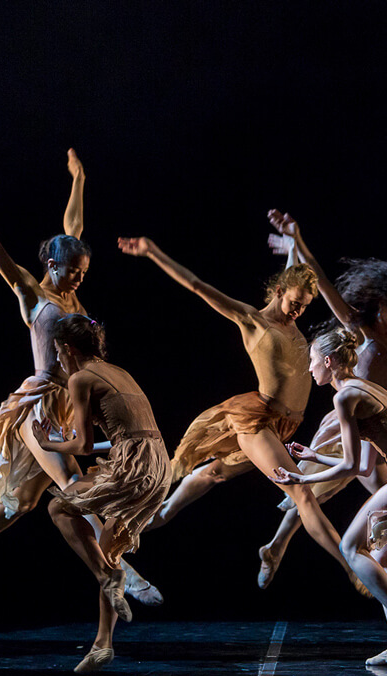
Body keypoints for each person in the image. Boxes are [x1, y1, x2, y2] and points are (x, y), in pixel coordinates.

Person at [0, 156, 160, 605]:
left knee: (22, 502)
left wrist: (80, 179)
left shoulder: (70, 288)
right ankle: (121, 570)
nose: (79, 278)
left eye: (84, 272)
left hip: (73, 402)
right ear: (51, 262)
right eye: (73, 270)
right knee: (72, 483)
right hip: (40, 405)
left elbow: (74, 224)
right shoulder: (32, 292)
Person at [117, 235, 368, 594]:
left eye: (305, 306)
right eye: (295, 302)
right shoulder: (253, 321)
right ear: (279, 290)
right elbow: (197, 285)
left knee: (213, 475)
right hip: (257, 420)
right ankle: (351, 567)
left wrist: (293, 242)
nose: (299, 311)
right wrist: (153, 251)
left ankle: (140, 525)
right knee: (303, 496)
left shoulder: (291, 320)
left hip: (281, 426)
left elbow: (296, 273)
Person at [256, 199, 387, 604]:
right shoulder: (361, 330)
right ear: (381, 305)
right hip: (351, 420)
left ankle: (278, 546)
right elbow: (324, 280)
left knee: (382, 495)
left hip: (382, 429)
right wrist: (298, 239)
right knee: (315, 493)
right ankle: (277, 548)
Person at [273, 328, 387, 665]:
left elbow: (348, 467)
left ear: (328, 362)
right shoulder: (367, 387)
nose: (310, 369)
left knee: (349, 547)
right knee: (382, 557)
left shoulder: (344, 397)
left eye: (313, 362)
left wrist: (300, 477)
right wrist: (314, 457)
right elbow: (361, 464)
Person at [30, 314, 172, 672]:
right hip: (157, 462)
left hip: (134, 463)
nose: (58, 360)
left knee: (60, 510)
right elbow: (127, 433)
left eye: (58, 352)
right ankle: (102, 645)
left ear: (67, 348)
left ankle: (108, 578)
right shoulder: (118, 371)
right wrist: (73, 442)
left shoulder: (81, 378)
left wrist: (48, 442)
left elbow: (83, 445)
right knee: (108, 549)